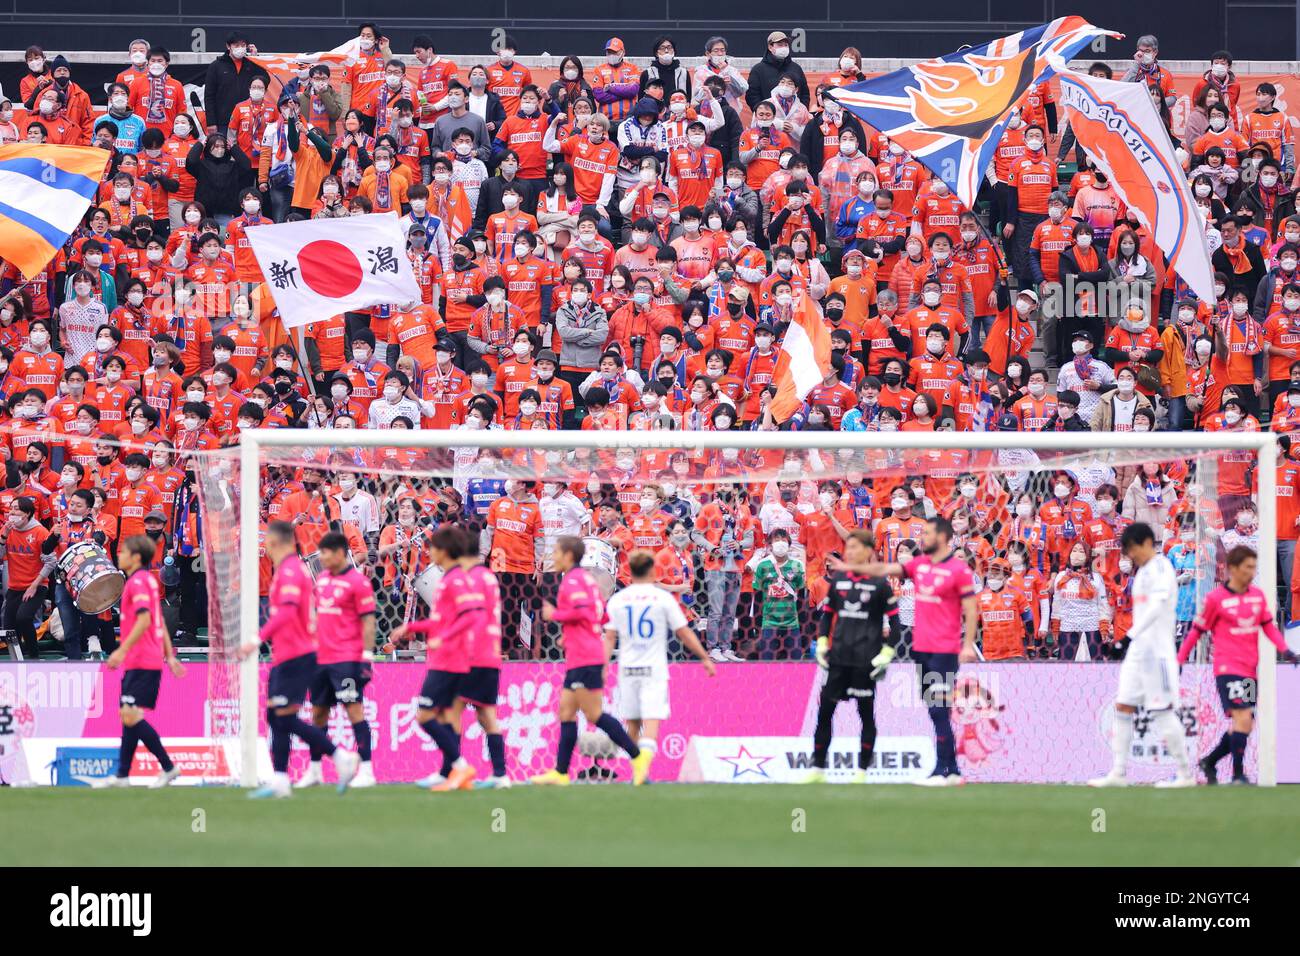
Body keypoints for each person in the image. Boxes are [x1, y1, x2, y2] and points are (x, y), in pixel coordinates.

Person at [831, 515, 977, 785]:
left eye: (929, 534)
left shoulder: (958, 571)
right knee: (936, 708)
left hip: (944, 650)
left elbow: (970, 609)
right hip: (919, 648)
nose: (923, 538)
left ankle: (943, 771)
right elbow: (885, 570)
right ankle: (952, 771)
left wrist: (967, 645)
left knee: (937, 708)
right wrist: (850, 566)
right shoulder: (918, 564)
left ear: (943, 538)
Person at [241, 521, 354, 799]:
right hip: (285, 653)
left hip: (298, 654)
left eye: (266, 540)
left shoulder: (291, 570)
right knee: (275, 715)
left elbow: (288, 611)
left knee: (283, 714)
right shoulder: (287, 570)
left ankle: (340, 757)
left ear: (274, 541)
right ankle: (280, 779)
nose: (264, 545)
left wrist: (257, 638)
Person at [530, 536, 651, 785]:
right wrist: (569, 635)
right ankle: (561, 773)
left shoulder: (573, 580)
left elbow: (583, 612)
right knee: (566, 711)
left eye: (557, 552)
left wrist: (556, 615)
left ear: (569, 556)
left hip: (585, 656)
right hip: (582, 652)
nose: (553, 556)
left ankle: (638, 758)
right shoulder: (585, 580)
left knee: (594, 714)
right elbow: (596, 615)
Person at [1089, 523, 1194, 788]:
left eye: (1132, 549)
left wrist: (1127, 638)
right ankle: (1119, 773)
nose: (1131, 556)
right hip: (1138, 652)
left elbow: (1158, 607)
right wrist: (1130, 642)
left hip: (1157, 652)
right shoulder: (1144, 571)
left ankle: (1184, 775)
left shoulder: (1161, 567)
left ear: (1147, 542)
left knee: (1162, 711)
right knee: (1123, 706)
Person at [604, 549, 715, 779]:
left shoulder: (618, 599)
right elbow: (683, 632)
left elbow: (610, 638)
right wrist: (704, 657)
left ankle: (635, 772)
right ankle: (642, 768)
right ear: (652, 570)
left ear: (630, 571)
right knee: (651, 721)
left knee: (632, 724)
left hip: (628, 669)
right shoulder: (662, 598)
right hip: (653, 668)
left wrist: (603, 666)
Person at [804, 529, 901, 783]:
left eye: (856, 547)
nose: (851, 551)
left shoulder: (880, 584)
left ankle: (862, 770)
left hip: (865, 660)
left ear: (868, 551)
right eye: (849, 547)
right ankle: (817, 768)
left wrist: (886, 654)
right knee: (825, 711)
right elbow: (826, 616)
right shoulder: (838, 580)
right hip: (838, 658)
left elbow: (896, 624)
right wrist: (823, 643)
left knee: (865, 714)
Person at [96, 534, 186, 788]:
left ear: (135, 557)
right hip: (143, 659)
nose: (119, 555)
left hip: (142, 659)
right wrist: (169, 655)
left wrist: (121, 651)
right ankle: (123, 776)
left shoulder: (138, 582)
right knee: (129, 716)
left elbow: (146, 619)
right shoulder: (146, 581)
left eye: (123, 552)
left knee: (129, 714)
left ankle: (168, 767)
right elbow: (157, 621)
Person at [304, 530, 374, 791]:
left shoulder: (358, 582)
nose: (321, 558)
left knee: (353, 709)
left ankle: (367, 770)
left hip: (347, 658)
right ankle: (314, 771)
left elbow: (368, 620)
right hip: (321, 657)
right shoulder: (321, 580)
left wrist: (366, 656)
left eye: (325, 553)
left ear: (340, 553)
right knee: (318, 713)